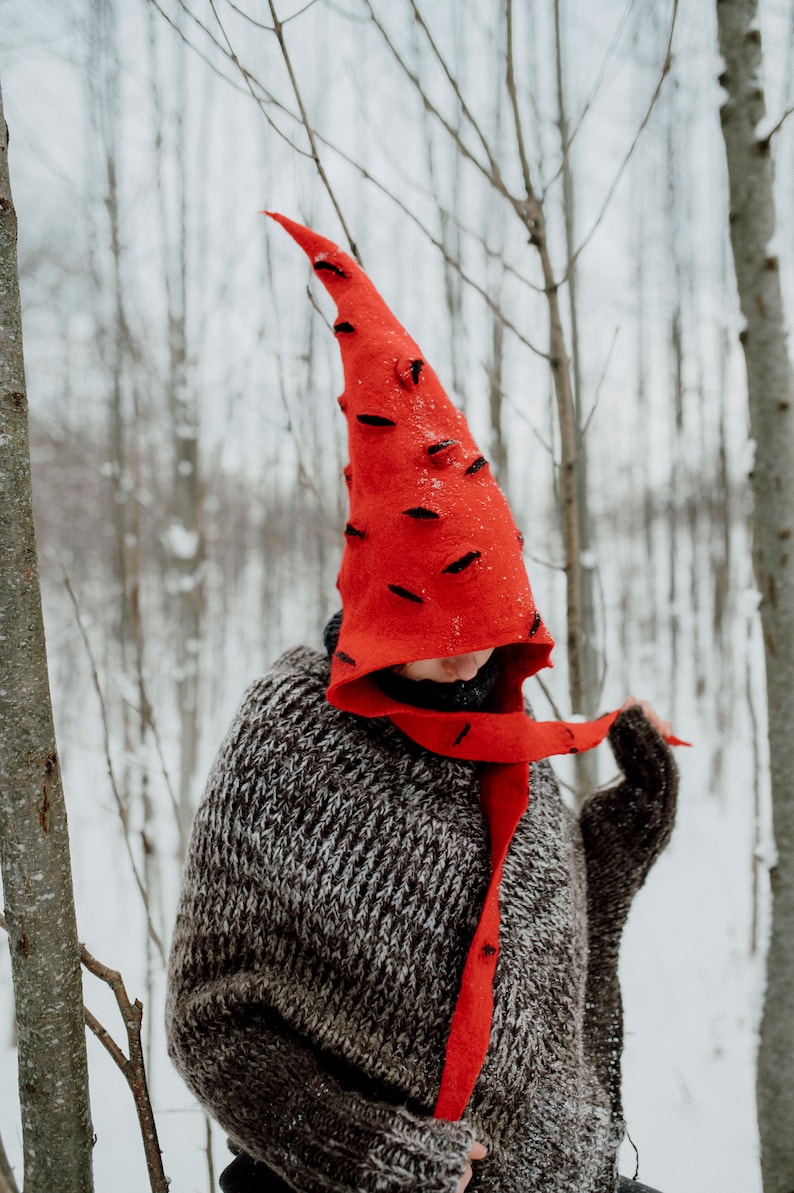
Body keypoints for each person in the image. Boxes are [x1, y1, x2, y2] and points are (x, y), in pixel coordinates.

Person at [166, 214, 681, 1193]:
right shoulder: (290, 735)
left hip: (551, 1174)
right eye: (430, 643)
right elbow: (214, 1021)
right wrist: (373, 1149)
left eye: (481, 633)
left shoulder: (504, 726)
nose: (462, 666)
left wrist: (611, 847)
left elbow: (532, 979)